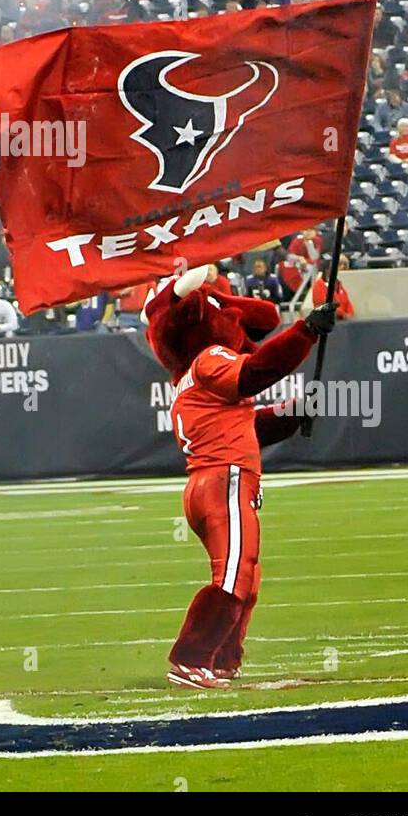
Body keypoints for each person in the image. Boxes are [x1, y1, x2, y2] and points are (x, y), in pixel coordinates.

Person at [145, 266, 337, 688]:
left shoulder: (186, 382)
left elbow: (252, 428)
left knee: (246, 579)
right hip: (223, 481)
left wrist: (296, 413)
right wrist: (305, 331)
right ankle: (191, 658)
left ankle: (222, 659)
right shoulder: (210, 358)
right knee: (233, 576)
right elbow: (257, 372)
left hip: (211, 484)